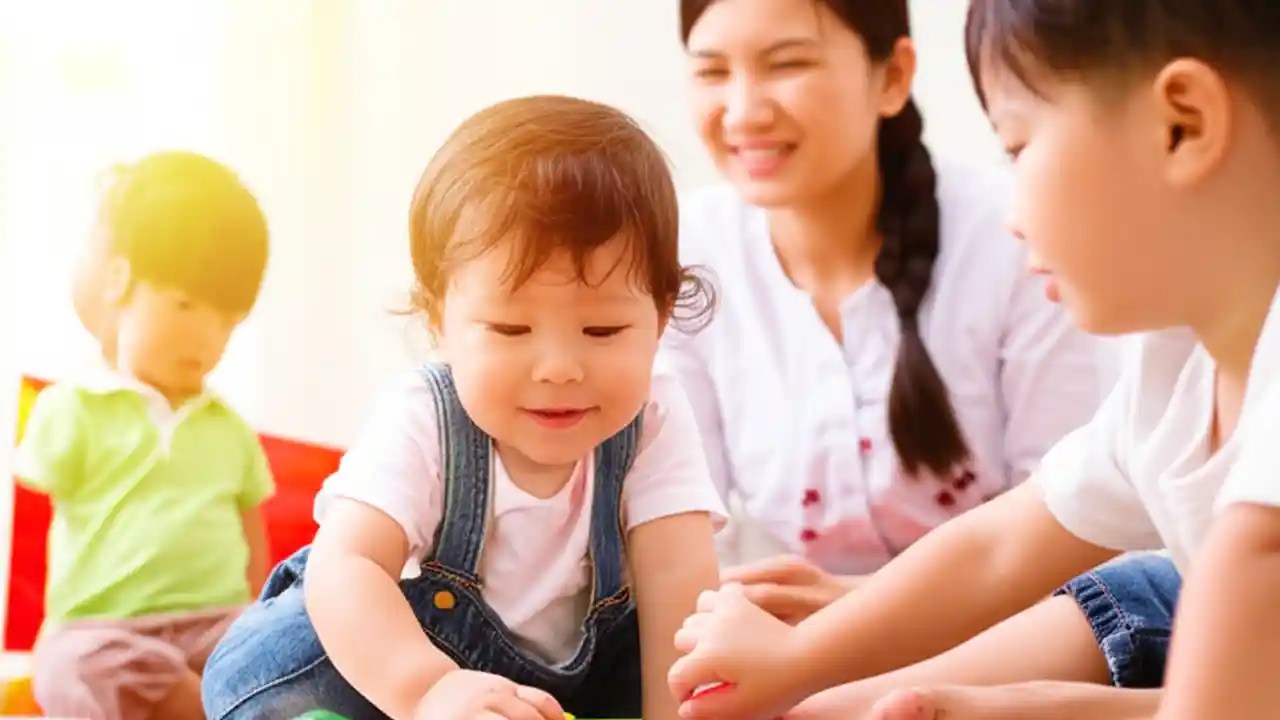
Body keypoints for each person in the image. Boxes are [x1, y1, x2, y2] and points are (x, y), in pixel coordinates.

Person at [667, 1, 1280, 718]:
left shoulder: (1252, 531)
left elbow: (1250, 576)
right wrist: (801, 661)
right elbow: (1004, 543)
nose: (1014, 214)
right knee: (1129, 594)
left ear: (1183, 124)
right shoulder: (1177, 361)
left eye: (1018, 149)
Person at [199, 95, 726, 720]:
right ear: (437, 322)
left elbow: (677, 581)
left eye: (604, 331)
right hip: (366, 669)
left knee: (691, 658)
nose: (559, 367)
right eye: (509, 330)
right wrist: (427, 690)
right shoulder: (423, 415)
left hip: (545, 691)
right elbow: (351, 562)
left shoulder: (654, 416)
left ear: (662, 316)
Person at [661, 0, 1103, 620]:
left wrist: (850, 613)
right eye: (711, 72)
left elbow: (1077, 534)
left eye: (787, 64)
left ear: (893, 76)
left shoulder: (1020, 234)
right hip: (790, 648)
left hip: (1014, 638)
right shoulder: (683, 255)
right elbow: (678, 526)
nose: (743, 111)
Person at [16, 151, 275, 720]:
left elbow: (251, 533)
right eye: (183, 305)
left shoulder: (229, 429)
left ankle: (204, 696)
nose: (204, 337)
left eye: (226, 321)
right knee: (69, 668)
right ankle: (197, 704)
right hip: (106, 629)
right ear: (119, 282)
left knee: (286, 640)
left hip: (215, 624)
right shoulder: (72, 406)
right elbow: (26, 519)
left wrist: (256, 615)